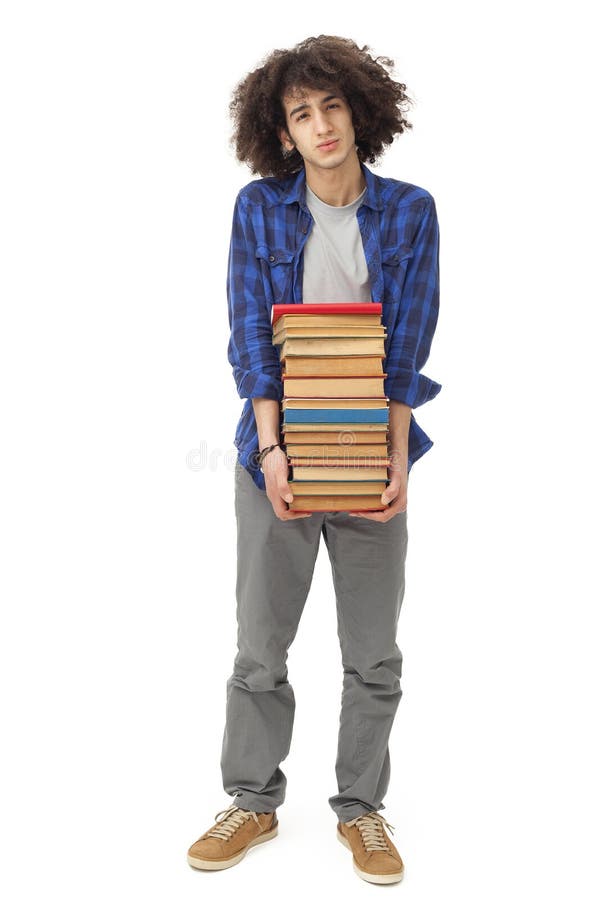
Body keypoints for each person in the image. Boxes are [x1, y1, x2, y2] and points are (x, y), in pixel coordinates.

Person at [187, 34, 441, 885]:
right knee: (260, 647)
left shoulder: (410, 210)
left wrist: (398, 460)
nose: (321, 124)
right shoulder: (259, 209)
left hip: (371, 456)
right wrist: (271, 449)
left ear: (359, 110)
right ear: (282, 133)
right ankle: (252, 803)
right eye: (301, 113)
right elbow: (251, 337)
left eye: (332, 105)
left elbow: (404, 351)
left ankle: (362, 812)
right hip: (278, 457)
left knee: (374, 652)